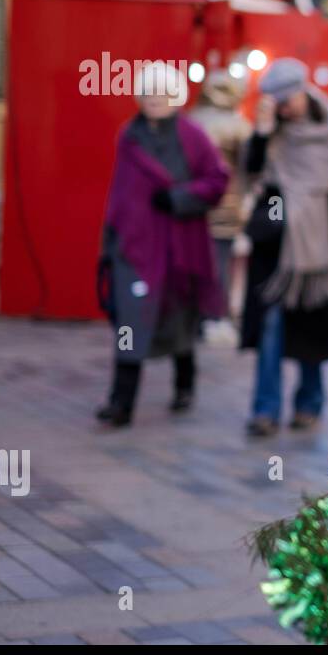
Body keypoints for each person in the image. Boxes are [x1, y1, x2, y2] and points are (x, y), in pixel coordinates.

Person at [96, 62, 229, 428]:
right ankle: (121, 403)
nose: (155, 99)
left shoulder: (192, 135)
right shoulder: (130, 135)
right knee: (130, 321)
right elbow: (120, 192)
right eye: (148, 93)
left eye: (162, 93)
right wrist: (110, 242)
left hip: (179, 248)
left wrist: (180, 198)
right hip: (135, 248)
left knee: (179, 322)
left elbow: (217, 180)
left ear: (176, 96)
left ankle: (185, 383)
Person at [240, 58, 328, 437]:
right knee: (271, 327)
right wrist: (261, 134)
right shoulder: (273, 131)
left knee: (312, 325)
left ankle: (309, 404)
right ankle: (265, 410)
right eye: (277, 102)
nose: (284, 108)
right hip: (277, 245)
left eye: (288, 100)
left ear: (303, 90)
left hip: (319, 245)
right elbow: (251, 170)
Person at [187, 69, 251, 340]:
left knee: (192, 263)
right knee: (221, 266)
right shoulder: (239, 125)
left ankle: (191, 318)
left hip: (192, 205)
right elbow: (249, 167)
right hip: (227, 206)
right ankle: (215, 316)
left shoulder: (190, 120)